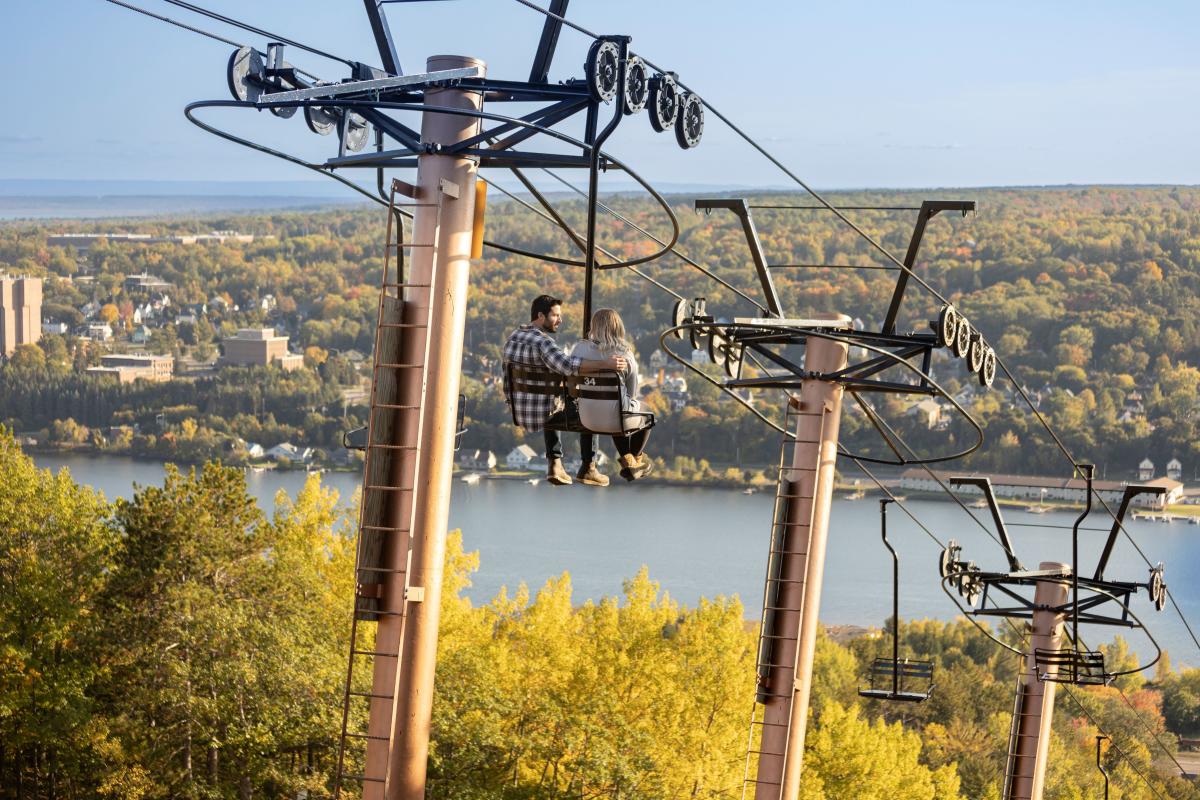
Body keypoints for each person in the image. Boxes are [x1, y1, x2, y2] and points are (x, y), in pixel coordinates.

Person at [503, 294, 626, 487]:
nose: (560, 320)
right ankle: (589, 467)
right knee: (586, 404)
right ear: (541, 316)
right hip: (545, 413)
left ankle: (555, 463)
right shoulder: (543, 342)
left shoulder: (513, 337)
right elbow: (568, 365)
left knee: (550, 396)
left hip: (519, 411)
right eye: (555, 316)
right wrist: (606, 363)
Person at [571, 308, 654, 482]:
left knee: (619, 408)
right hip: (616, 421)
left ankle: (630, 461)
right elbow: (631, 394)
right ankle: (635, 459)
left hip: (586, 418)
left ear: (593, 326)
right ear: (618, 327)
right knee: (646, 413)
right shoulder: (624, 353)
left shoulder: (579, 348)